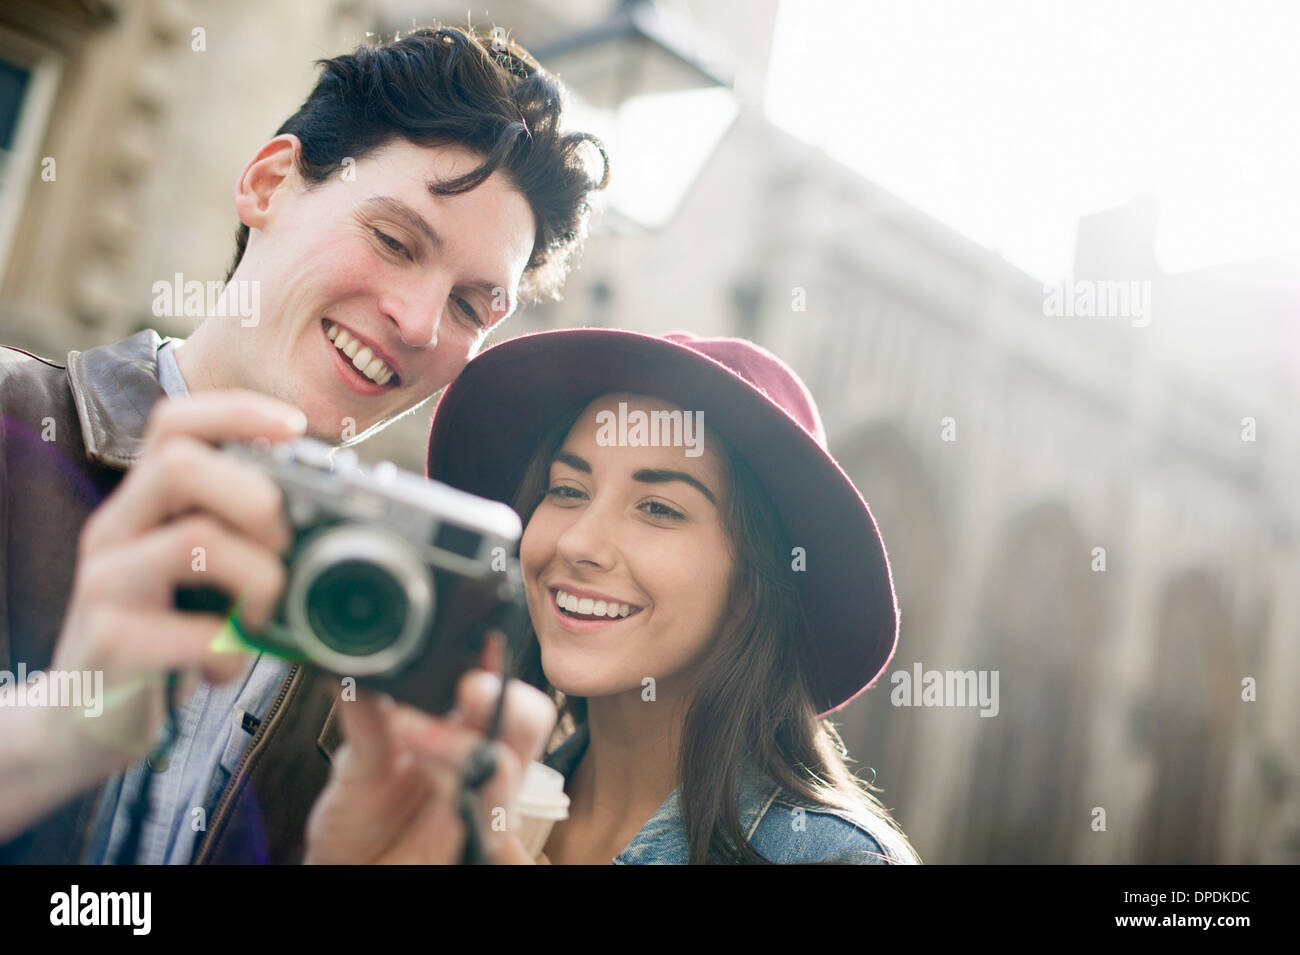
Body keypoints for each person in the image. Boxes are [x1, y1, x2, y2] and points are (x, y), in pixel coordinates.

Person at [0, 25, 607, 863]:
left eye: (472, 305)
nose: (420, 321)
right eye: (395, 240)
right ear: (269, 182)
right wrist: (53, 735)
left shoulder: (400, 630)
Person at [304, 329, 921, 864]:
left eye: (657, 508)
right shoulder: (454, 804)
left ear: (754, 586)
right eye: (567, 490)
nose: (578, 541)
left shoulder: (836, 859)